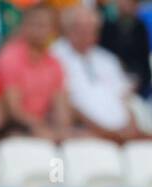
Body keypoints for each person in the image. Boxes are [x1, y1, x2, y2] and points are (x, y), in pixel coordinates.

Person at [50, 4, 140, 143]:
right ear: (67, 29)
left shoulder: (108, 59)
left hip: (120, 133)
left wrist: (130, 127)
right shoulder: (54, 56)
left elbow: (124, 98)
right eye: (80, 28)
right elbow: (65, 103)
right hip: (82, 132)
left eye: (92, 28)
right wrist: (103, 132)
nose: (87, 33)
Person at [0, 3, 73, 140]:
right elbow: (13, 110)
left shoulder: (54, 63)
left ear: (53, 31)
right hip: (14, 128)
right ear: (23, 26)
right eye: (34, 24)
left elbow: (61, 106)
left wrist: (61, 130)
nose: (38, 30)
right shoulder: (9, 57)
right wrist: (42, 128)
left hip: (43, 127)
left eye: (44, 25)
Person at [99, 0, 151, 97]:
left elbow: (144, 60)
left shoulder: (141, 28)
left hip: (136, 79)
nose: (125, 6)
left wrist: (141, 83)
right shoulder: (107, 28)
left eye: (129, 3)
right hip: (112, 77)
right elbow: (103, 56)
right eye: (122, 2)